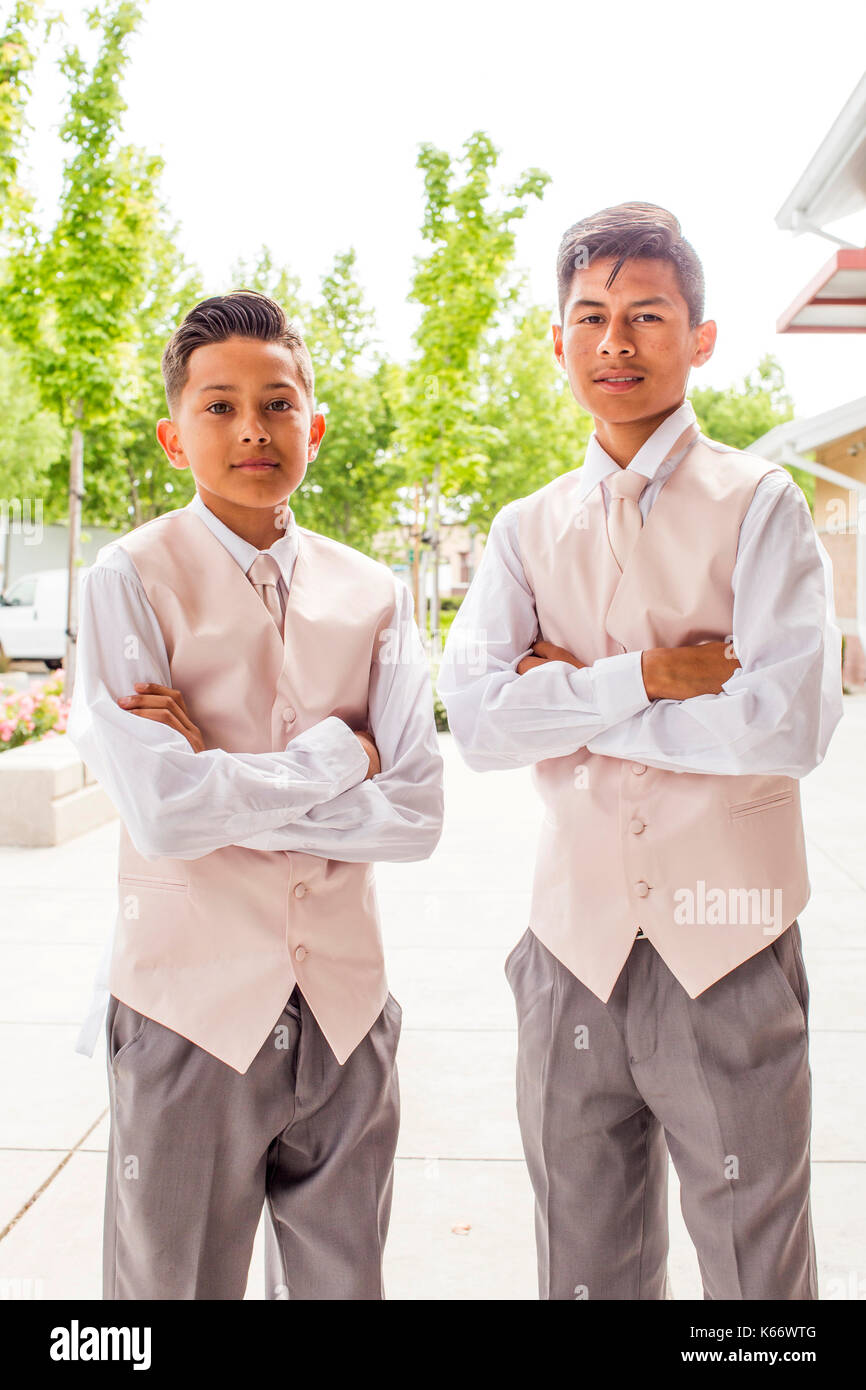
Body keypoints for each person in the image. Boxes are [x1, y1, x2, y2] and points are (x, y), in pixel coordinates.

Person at [437, 202, 843, 1300]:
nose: (615, 342)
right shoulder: (525, 528)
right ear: (555, 339)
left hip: (727, 946)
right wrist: (648, 678)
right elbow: (471, 719)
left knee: (756, 1273)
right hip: (569, 947)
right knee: (581, 1263)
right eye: (591, 317)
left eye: (647, 316)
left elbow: (787, 723)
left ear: (700, 337)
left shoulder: (760, 506)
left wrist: (562, 696)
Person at [68, 290, 444, 1300]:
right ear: (172, 432)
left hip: (346, 1012)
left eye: (277, 404)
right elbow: (162, 813)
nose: (251, 430)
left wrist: (216, 772)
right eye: (219, 406)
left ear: (312, 423)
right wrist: (337, 757)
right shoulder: (127, 579)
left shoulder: (374, 592)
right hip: (186, 1013)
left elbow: (415, 817)